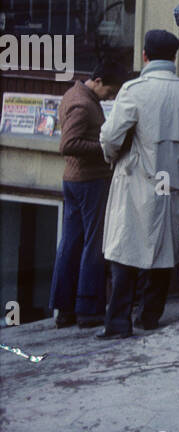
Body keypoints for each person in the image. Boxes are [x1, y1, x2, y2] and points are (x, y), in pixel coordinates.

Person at [98, 30, 179, 337]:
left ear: (144, 55)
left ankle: (118, 323)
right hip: (174, 185)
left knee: (125, 252)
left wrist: (112, 156)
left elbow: (110, 137)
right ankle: (150, 316)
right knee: (165, 253)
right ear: (175, 57)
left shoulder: (133, 90)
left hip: (136, 183)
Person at [49, 60, 126, 328]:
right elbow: (68, 144)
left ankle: (65, 309)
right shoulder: (83, 104)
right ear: (99, 81)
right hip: (89, 180)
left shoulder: (73, 94)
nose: (112, 97)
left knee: (70, 243)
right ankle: (88, 309)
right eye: (111, 91)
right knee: (92, 244)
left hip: (73, 180)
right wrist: (105, 146)